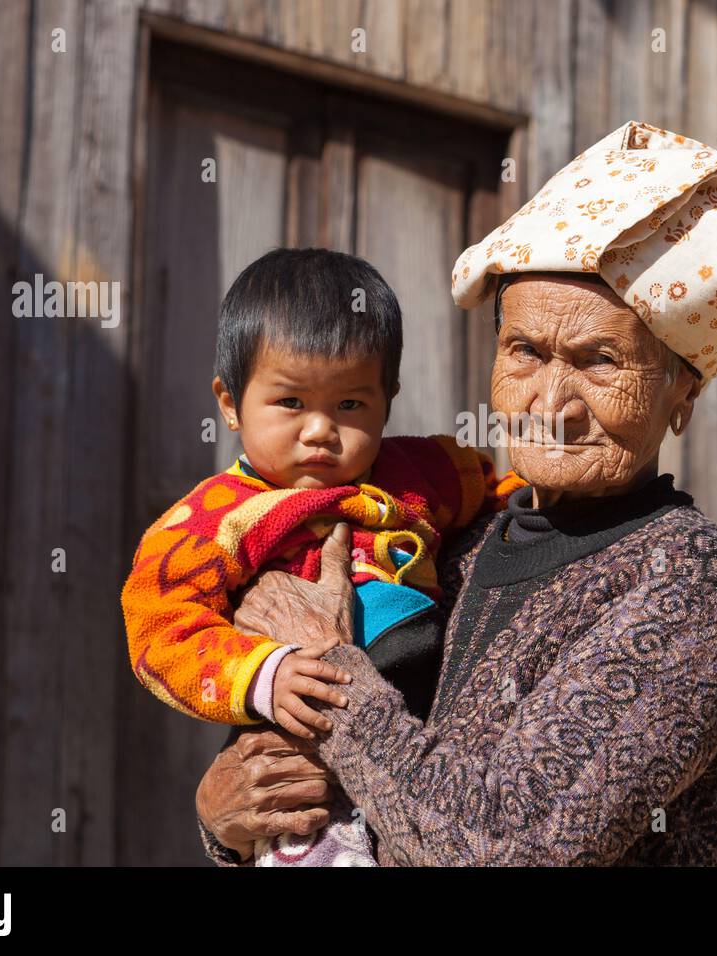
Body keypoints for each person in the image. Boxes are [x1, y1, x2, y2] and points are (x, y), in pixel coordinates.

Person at [193, 120, 717, 865]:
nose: (552, 401)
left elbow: (509, 847)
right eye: (524, 352)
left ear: (682, 394)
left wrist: (328, 673)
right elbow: (371, 804)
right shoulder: (454, 544)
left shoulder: (683, 576)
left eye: (600, 360)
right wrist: (227, 819)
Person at [121, 248, 522, 866]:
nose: (320, 431)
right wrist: (263, 672)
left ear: (388, 400)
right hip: (299, 743)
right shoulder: (219, 516)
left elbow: (500, 490)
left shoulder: (420, 472)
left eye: (350, 406)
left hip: (423, 737)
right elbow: (157, 619)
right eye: (290, 403)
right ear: (230, 403)